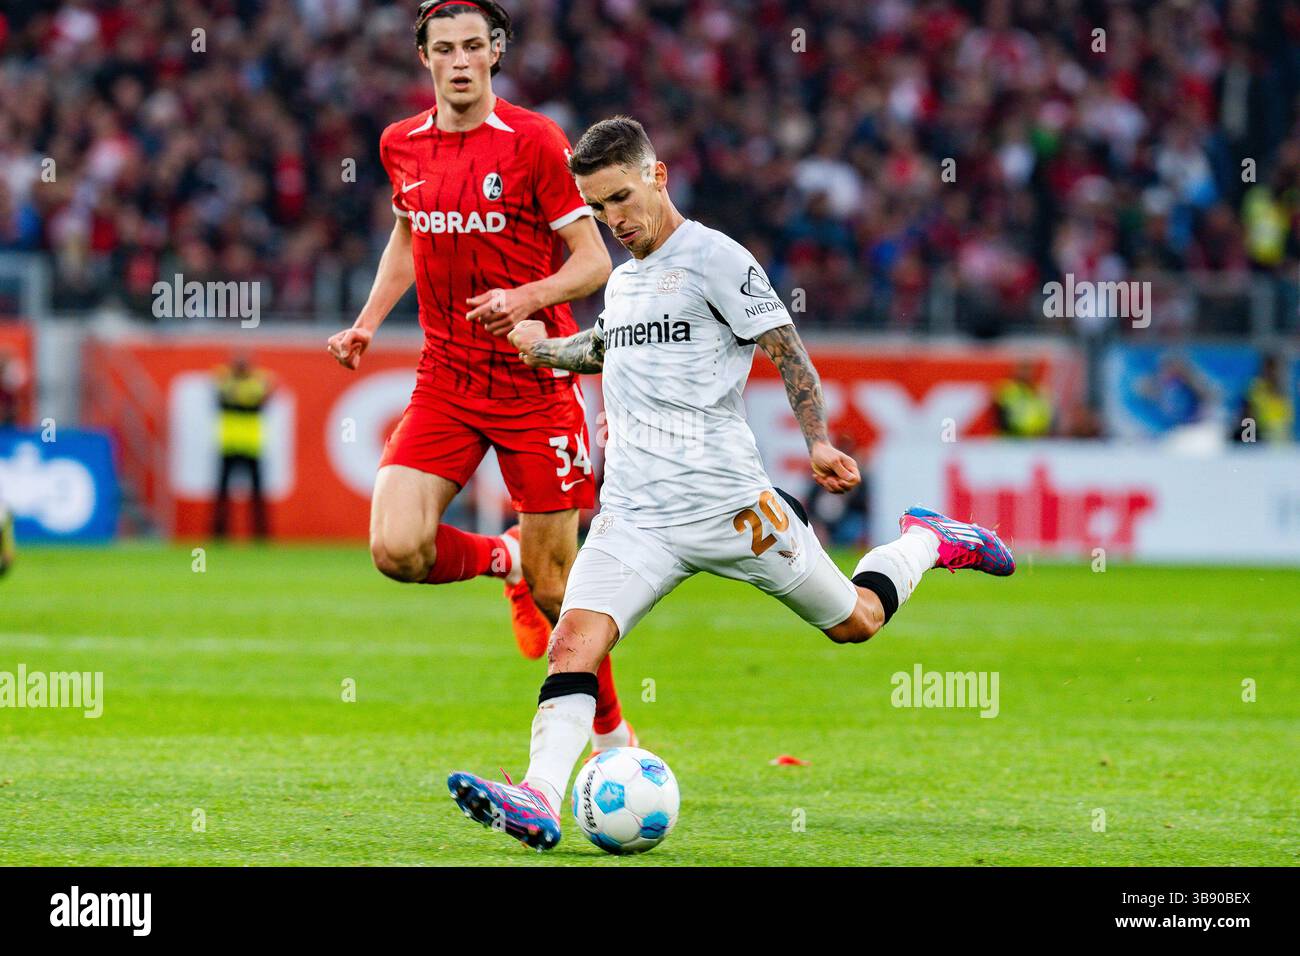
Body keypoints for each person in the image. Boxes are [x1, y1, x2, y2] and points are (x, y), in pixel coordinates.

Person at [445, 117, 1015, 850]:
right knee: (572, 643)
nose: (613, 220)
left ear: (658, 177)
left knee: (856, 622)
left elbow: (788, 350)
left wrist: (816, 440)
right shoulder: (624, 283)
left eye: (621, 197)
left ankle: (929, 542)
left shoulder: (716, 259)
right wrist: (542, 350)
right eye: (596, 208)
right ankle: (537, 797)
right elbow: (607, 348)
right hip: (635, 518)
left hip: (733, 510)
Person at [323, 1, 633, 749]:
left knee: (562, 590)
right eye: (444, 49)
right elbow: (409, 232)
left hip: (536, 381)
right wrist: (367, 322)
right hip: (448, 380)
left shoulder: (534, 143)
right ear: (423, 58)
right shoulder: (401, 144)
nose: (459, 61)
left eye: (473, 47)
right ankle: (503, 559)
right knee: (397, 550)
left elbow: (593, 262)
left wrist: (525, 300)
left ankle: (614, 741)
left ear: (495, 54)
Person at [212, 354, 274, 540]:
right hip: (231, 445)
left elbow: (232, 396)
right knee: (223, 495)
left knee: (256, 495)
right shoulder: (253, 383)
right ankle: (220, 535)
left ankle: (259, 535)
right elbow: (258, 396)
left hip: (248, 446)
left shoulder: (227, 382)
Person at [993, 360, 1053, 438]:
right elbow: (1002, 416)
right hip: (1010, 439)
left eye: (1028, 369)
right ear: (1016, 371)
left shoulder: (1040, 391)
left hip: (1034, 439)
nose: (1025, 373)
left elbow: (1045, 416)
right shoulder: (1008, 389)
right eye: (1022, 369)